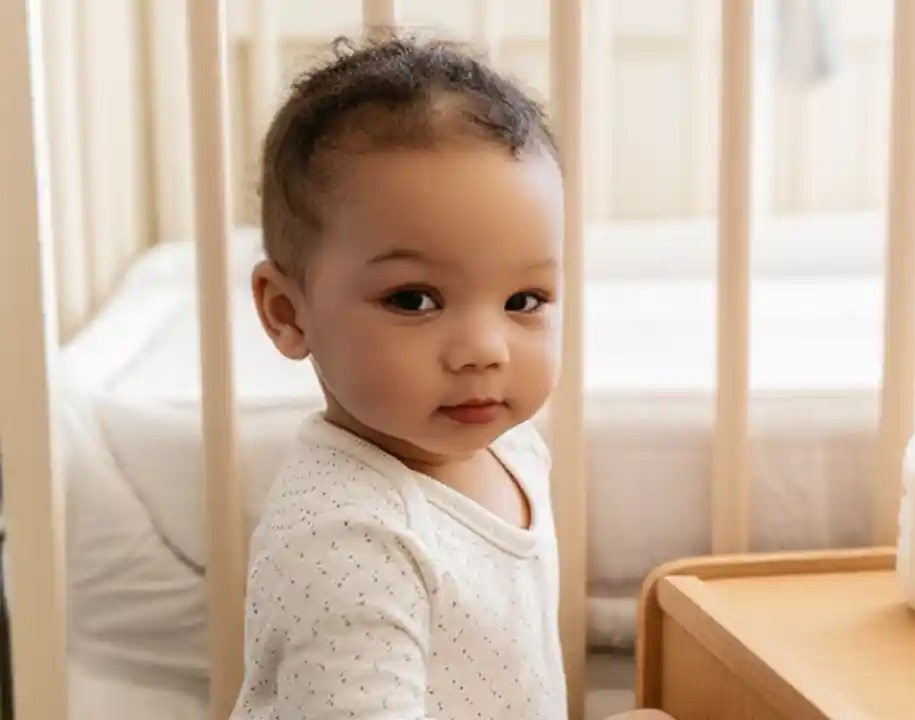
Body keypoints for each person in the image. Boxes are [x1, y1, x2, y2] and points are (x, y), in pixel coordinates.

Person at [234, 36, 663, 719]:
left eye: (524, 301)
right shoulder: (348, 541)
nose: (483, 350)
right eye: (414, 300)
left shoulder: (508, 448)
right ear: (289, 313)